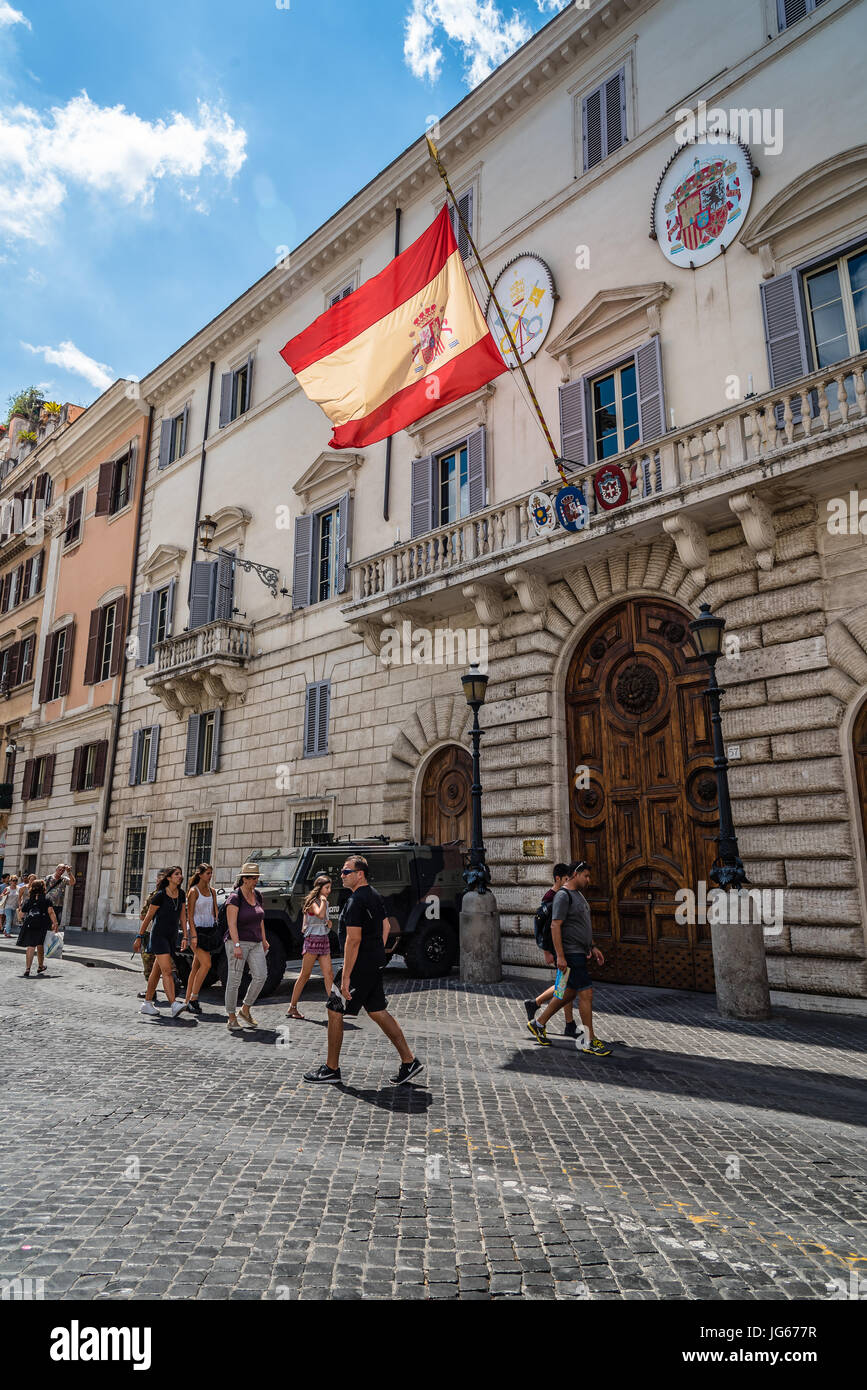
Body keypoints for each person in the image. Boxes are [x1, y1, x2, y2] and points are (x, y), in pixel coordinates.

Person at [303, 855, 423, 1086]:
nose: (341, 875)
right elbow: (385, 926)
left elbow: (353, 940)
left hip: (359, 965)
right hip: (372, 962)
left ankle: (331, 1069)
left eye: (346, 872)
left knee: (334, 1010)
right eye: (342, 872)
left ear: (360, 874)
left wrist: (346, 976)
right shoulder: (375, 895)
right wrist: (377, 950)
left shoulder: (356, 900)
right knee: (377, 1010)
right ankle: (409, 1060)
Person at [526, 861, 611, 1057]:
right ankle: (589, 1041)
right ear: (575, 874)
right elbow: (556, 926)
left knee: (568, 993)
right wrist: (560, 956)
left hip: (579, 951)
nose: (589, 880)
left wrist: (592, 946)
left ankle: (538, 1024)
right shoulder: (563, 896)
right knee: (586, 993)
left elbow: (581, 924)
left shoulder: (578, 895)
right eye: (586, 876)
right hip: (570, 954)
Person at [522, 863, 577, 1037]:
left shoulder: (563, 895)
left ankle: (567, 1022)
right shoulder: (551, 897)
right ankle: (537, 1006)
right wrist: (547, 951)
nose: (569, 882)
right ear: (558, 879)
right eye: (566, 879)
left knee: (565, 985)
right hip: (557, 947)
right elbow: (545, 927)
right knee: (566, 985)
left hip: (564, 946)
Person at [138, 867, 189, 1019]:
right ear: (169, 878)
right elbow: (148, 917)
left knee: (157, 970)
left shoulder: (181, 894)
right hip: (158, 936)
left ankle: (147, 1003)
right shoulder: (160, 895)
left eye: (181, 874)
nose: (180, 876)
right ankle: (173, 1004)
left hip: (171, 936)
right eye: (177, 874)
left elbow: (182, 917)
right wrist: (139, 936)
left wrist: (185, 936)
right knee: (167, 971)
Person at [224, 863, 269, 1032]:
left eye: (257, 877)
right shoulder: (235, 897)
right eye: (253, 878)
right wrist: (236, 945)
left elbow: (260, 918)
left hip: (256, 941)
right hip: (238, 942)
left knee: (261, 976)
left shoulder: (257, 894)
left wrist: (264, 940)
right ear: (244, 879)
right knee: (234, 981)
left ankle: (245, 1009)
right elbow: (232, 923)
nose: (256, 881)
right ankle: (231, 1017)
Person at [286, 873, 335, 1019]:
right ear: (320, 888)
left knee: (329, 974)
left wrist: (329, 923)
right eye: (327, 887)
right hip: (312, 940)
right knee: (305, 975)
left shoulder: (324, 902)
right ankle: (292, 1007)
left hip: (323, 939)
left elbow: (324, 920)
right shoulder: (314, 901)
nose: (329, 890)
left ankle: (334, 1007)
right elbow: (319, 915)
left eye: (330, 887)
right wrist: (324, 902)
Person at [184, 863, 220, 1015]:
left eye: (211, 873)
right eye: (207, 873)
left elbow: (215, 913)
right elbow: (190, 915)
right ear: (200, 874)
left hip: (209, 931)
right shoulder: (194, 891)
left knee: (196, 967)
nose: (210, 876)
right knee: (207, 964)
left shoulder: (212, 891)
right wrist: (192, 936)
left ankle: (186, 1000)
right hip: (196, 930)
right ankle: (194, 998)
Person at [17, 879, 58, 977]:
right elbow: (51, 911)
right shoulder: (47, 898)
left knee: (31, 946)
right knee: (40, 944)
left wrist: (19, 911)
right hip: (42, 924)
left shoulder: (29, 899)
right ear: (43, 887)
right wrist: (55, 923)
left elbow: (21, 915)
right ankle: (40, 966)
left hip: (30, 924)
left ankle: (28, 969)